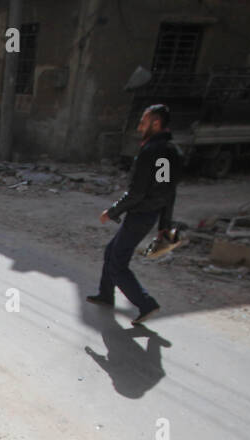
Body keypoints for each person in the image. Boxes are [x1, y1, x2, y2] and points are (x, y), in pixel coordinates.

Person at [89, 104, 180, 325]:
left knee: (117, 263)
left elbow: (137, 192)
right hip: (150, 214)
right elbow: (167, 191)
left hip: (140, 215)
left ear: (156, 123)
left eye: (143, 122)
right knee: (112, 251)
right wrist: (164, 224)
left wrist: (112, 212)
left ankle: (146, 303)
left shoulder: (152, 151)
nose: (140, 127)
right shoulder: (168, 150)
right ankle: (105, 294)